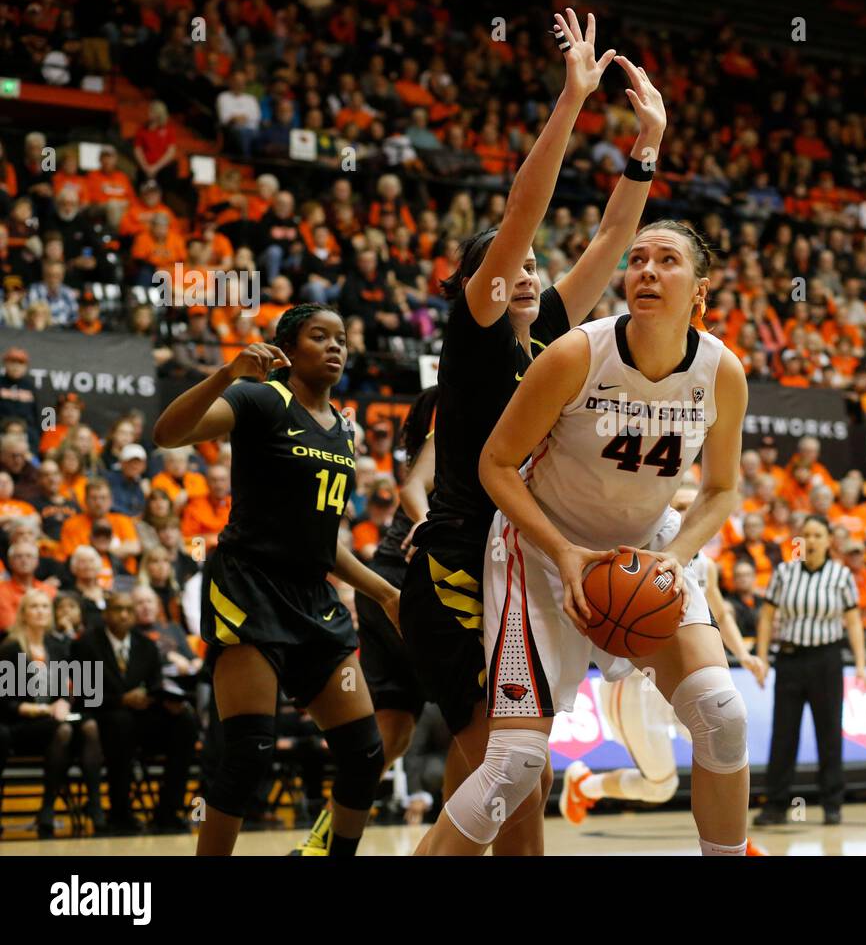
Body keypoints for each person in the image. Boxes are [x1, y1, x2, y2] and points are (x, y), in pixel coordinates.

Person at [400, 8, 666, 857]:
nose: (523, 272)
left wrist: (646, 150)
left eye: (529, 267)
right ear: (482, 277)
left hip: (522, 558)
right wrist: (571, 101)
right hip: (456, 562)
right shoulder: (476, 330)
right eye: (504, 264)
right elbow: (525, 208)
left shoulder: (553, 331)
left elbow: (614, 237)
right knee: (497, 757)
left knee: (521, 766)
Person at [422, 208, 751, 855]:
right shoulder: (579, 352)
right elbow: (495, 464)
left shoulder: (722, 372)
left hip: (647, 552)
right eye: (638, 259)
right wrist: (565, 552)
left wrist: (676, 559)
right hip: (540, 554)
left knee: (722, 717)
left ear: (701, 291)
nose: (647, 270)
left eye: (667, 261)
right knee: (514, 767)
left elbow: (721, 489)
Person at [152, 303, 402, 855]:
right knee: (248, 753)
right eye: (320, 337)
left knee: (365, 754)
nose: (336, 347)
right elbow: (168, 434)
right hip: (249, 587)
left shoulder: (344, 429)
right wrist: (226, 374)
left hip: (314, 597)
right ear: (289, 350)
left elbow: (322, 540)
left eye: (342, 338)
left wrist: (384, 591)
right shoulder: (261, 399)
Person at [558, 484, 768, 855]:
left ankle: (738, 841)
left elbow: (720, 612)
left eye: (695, 505)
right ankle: (584, 784)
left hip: (684, 678)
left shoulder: (706, 565)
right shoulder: (637, 547)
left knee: (724, 745)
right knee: (660, 786)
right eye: (682, 504)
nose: (690, 513)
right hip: (636, 684)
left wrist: (743, 655)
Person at [291, 387, 436, 855]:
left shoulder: (431, 438)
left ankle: (319, 844)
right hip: (410, 586)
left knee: (391, 735)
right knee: (473, 719)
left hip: (383, 585)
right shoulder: (467, 431)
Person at [753, 514, 866, 827]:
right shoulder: (784, 573)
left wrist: (860, 663)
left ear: (829, 540)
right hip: (790, 659)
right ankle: (776, 805)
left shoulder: (842, 576)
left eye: (818, 535)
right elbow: (766, 617)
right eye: (806, 535)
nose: (812, 541)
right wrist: (761, 657)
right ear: (798, 541)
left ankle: (832, 803)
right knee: (784, 734)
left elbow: (853, 621)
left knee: (829, 732)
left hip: (827, 660)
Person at [75, 590, 198, 834]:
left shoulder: (147, 646)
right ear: (106, 614)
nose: (123, 615)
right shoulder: (86, 645)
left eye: (128, 610)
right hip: (104, 717)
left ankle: (168, 811)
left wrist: (165, 702)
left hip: (142, 717)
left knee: (185, 720)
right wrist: (121, 699)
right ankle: (120, 813)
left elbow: (154, 686)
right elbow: (84, 695)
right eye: (117, 610)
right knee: (121, 723)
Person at [0, 589, 106, 836]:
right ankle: (48, 808)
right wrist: (45, 709)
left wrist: (65, 702)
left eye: (45, 607)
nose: (40, 611)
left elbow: (71, 689)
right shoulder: (10, 648)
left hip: (54, 723)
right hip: (20, 724)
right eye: (34, 607)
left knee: (89, 727)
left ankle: (96, 805)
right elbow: (6, 703)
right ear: (23, 614)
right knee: (64, 730)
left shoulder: (57, 646)